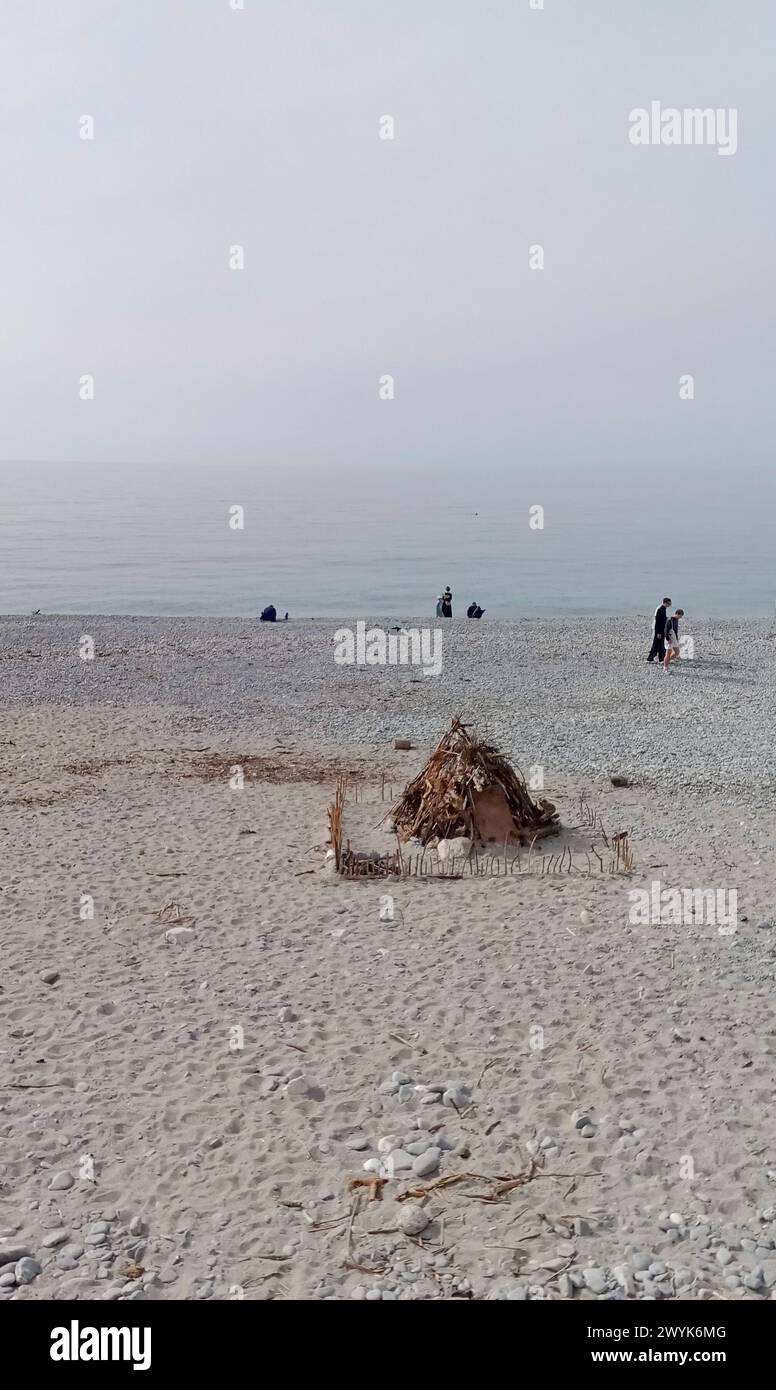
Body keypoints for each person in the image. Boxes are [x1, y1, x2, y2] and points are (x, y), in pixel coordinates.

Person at [647, 597, 671, 663]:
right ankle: (651, 658)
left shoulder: (664, 609)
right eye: (669, 603)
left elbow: (662, 620)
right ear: (665, 603)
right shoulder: (660, 609)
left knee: (660, 645)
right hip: (659, 631)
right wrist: (658, 633)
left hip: (662, 630)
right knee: (657, 644)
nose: (669, 605)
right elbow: (657, 622)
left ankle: (660, 659)